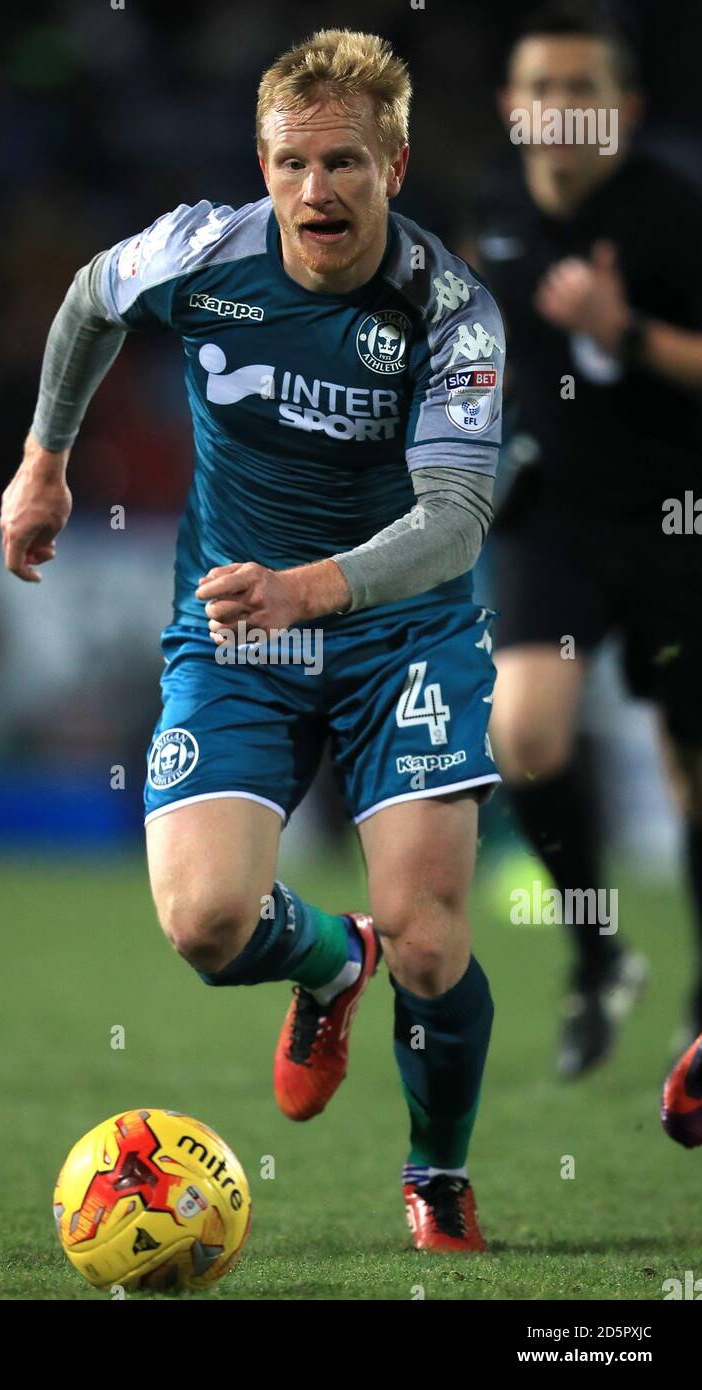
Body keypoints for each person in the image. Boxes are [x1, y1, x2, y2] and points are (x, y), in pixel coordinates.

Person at [0, 29, 505, 1253]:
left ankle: (433, 1176)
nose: (314, 192)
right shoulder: (200, 250)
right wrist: (44, 460)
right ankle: (331, 963)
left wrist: (315, 587)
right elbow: (86, 300)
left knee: (433, 940)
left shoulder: (451, 312)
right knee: (205, 923)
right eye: (290, 163)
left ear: (393, 162)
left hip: (402, 637)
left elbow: (452, 521)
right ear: (260, 164)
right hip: (238, 628)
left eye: (343, 163)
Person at [464, 2, 702, 1078]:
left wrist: (624, 333)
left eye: (582, 91)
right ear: (512, 108)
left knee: (688, 772)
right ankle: (596, 951)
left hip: (676, 521)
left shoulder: (675, 213)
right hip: (552, 518)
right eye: (541, 91)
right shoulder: (494, 218)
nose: (559, 110)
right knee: (524, 734)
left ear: (624, 110)